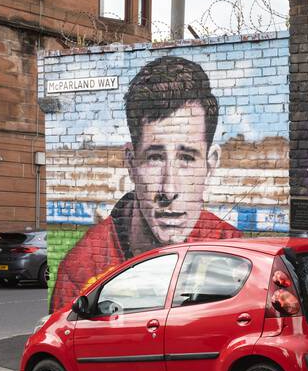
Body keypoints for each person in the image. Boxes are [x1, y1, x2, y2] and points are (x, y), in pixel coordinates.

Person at [50, 56, 238, 311]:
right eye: (155, 158)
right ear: (131, 162)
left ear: (210, 164)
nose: (168, 189)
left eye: (186, 158)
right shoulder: (83, 268)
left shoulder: (230, 247)